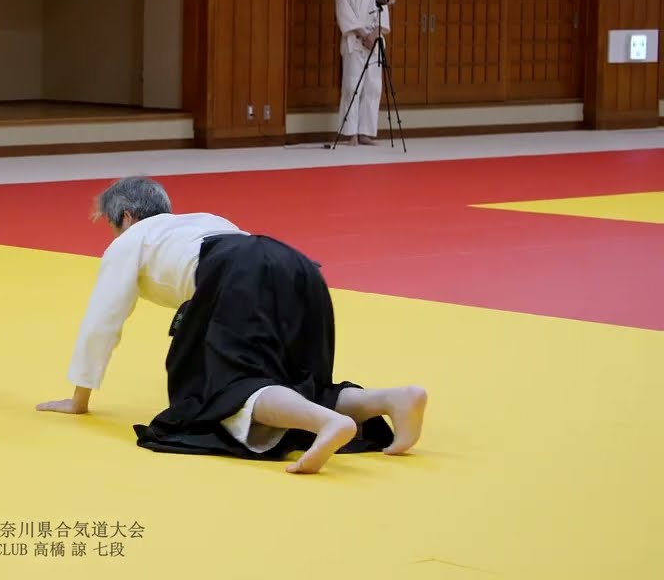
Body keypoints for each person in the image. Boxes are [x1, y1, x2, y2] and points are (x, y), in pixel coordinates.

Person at [36, 176, 426, 474]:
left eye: (111, 224)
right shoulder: (203, 220)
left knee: (229, 389)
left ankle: (326, 421)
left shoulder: (131, 239)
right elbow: (244, 257)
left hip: (236, 274)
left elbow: (103, 320)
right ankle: (392, 399)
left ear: (126, 216)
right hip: (295, 265)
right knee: (290, 378)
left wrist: (79, 400)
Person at [334, 0, 390, 146]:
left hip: (374, 40)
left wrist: (375, 33)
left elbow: (383, 9)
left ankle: (366, 131)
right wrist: (362, 33)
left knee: (373, 86)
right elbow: (344, 12)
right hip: (355, 40)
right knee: (351, 85)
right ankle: (351, 133)